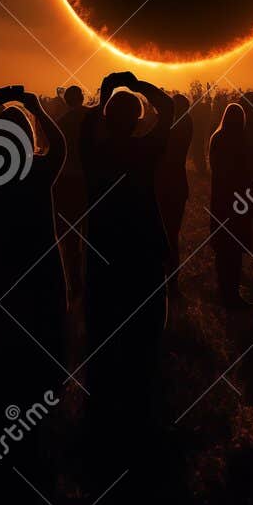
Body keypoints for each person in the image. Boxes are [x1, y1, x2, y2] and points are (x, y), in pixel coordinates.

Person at [0, 86, 68, 419]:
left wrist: (0, 96)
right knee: (40, 323)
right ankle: (41, 386)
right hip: (38, 256)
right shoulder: (40, 168)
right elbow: (61, 145)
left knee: (0, 326)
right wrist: (36, 108)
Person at [80, 72, 172, 440]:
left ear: (106, 116)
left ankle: (103, 396)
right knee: (146, 317)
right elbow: (167, 109)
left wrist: (105, 96)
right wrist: (140, 85)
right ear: (137, 119)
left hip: (104, 242)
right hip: (144, 240)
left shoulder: (95, 155)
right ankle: (142, 388)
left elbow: (87, 127)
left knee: (104, 317)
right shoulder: (146, 152)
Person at [207, 103, 253, 308]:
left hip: (220, 201)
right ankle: (232, 294)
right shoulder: (240, 141)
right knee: (234, 251)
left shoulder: (216, 139)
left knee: (224, 250)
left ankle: (225, 293)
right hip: (238, 202)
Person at [53, 86, 90, 300]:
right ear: (83, 98)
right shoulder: (93, 118)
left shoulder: (61, 123)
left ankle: (75, 283)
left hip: (67, 181)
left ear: (66, 101)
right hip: (90, 180)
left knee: (70, 237)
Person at [156, 93, 194, 292]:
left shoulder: (173, 126)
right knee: (171, 234)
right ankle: (171, 281)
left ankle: (167, 279)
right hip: (177, 184)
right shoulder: (186, 123)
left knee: (165, 234)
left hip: (165, 185)